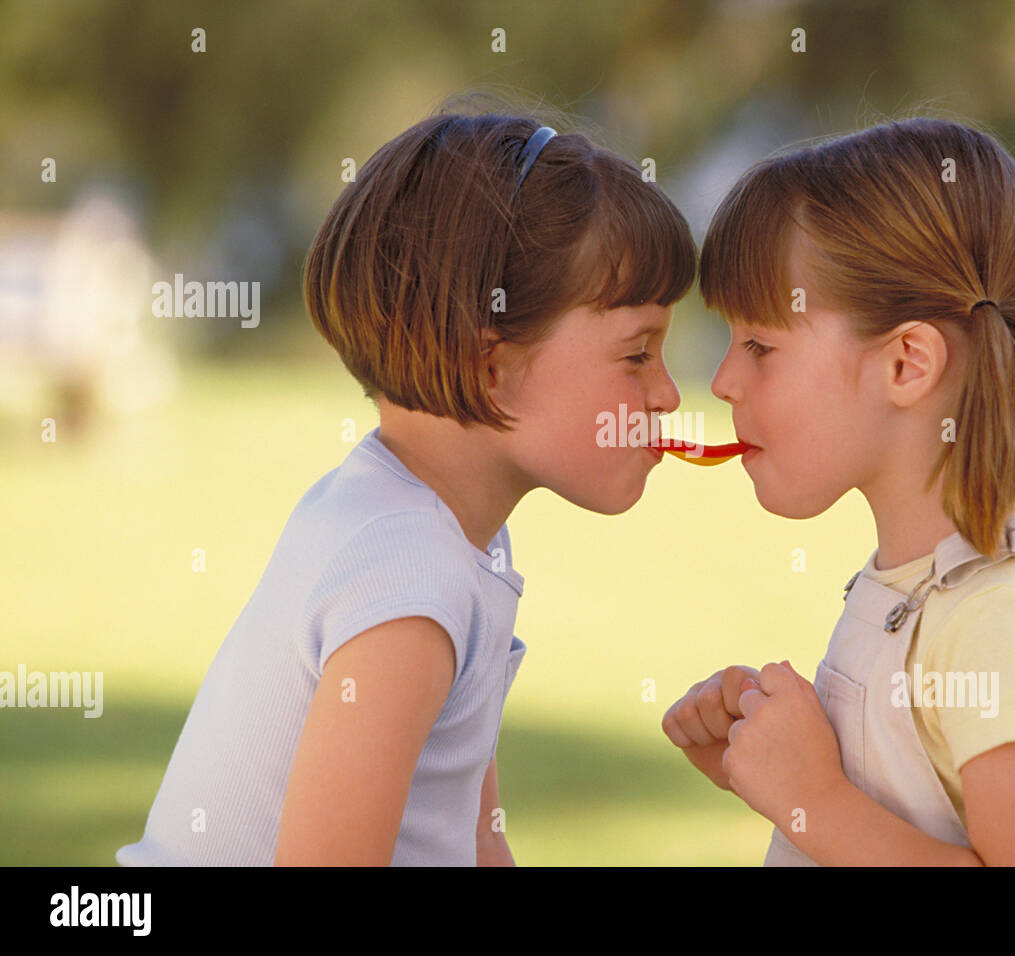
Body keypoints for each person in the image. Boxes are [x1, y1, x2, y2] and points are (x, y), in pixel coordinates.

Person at [116, 106, 693, 866]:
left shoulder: (431, 534)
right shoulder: (410, 575)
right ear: (494, 367)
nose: (669, 395)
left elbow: (476, 838)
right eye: (637, 354)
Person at [662, 117, 1015, 866]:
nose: (723, 381)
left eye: (761, 347)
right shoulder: (921, 591)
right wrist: (777, 772)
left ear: (906, 365)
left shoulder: (1008, 619)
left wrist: (815, 800)